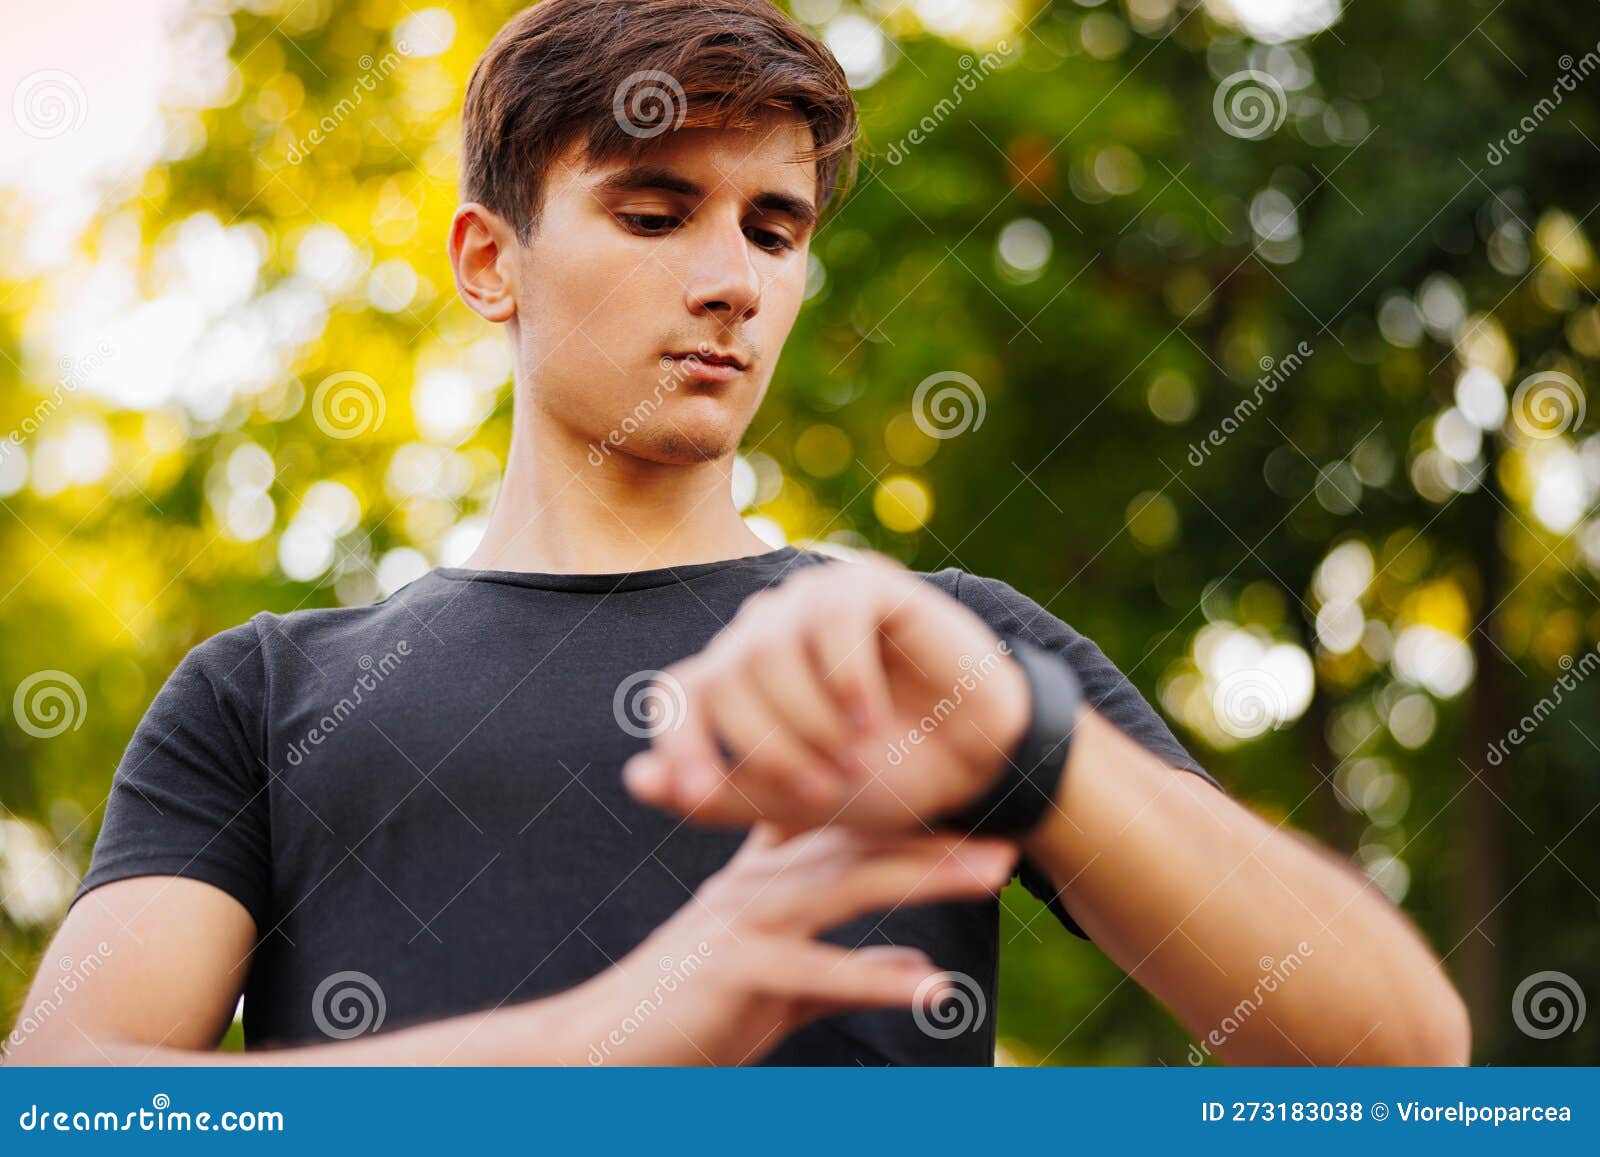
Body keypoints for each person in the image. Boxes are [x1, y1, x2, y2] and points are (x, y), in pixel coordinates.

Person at [6, 0, 1469, 1067]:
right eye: (655, 214)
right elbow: (71, 1108)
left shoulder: (945, 650)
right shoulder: (263, 693)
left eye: (774, 230)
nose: (734, 281)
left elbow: (1400, 1058)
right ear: (489, 261)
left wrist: (1029, 740)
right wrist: (634, 1028)